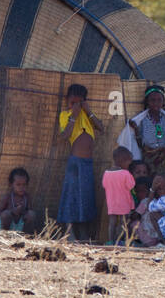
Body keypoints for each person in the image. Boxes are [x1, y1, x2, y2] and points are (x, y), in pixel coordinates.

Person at [56, 83, 102, 241]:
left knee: (85, 198)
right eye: (72, 103)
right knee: (71, 197)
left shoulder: (87, 115)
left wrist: (87, 111)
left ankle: (82, 234)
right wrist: (73, 115)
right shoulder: (66, 115)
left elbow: (100, 127)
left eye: (79, 103)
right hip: (75, 164)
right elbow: (64, 135)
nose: (75, 106)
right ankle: (69, 233)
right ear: (67, 101)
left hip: (87, 165)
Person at [120, 86, 165, 181]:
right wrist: (135, 129)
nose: (156, 103)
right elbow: (140, 145)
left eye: (159, 100)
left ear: (163, 102)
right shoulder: (142, 120)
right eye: (152, 100)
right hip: (149, 159)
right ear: (147, 102)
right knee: (151, 180)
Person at [101, 146, 137, 245]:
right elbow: (131, 185)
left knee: (112, 223)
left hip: (112, 203)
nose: (129, 165)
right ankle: (120, 241)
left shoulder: (106, 173)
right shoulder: (125, 173)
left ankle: (111, 241)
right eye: (128, 163)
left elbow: (104, 185)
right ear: (123, 161)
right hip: (124, 203)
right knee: (123, 223)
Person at [0, 167, 36, 231]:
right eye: (18, 185)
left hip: (20, 227)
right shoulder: (8, 197)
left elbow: (30, 211)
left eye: (24, 185)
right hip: (8, 227)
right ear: (11, 185)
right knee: (6, 214)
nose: (21, 187)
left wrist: (22, 211)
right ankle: (4, 235)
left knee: (31, 214)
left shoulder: (27, 197)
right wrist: (12, 211)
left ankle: (26, 236)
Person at [130, 180, 159, 246]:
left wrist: (129, 215)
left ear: (149, 191)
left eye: (142, 191)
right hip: (157, 237)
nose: (139, 194)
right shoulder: (156, 201)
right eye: (137, 191)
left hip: (149, 238)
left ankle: (139, 242)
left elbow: (135, 216)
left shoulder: (145, 201)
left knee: (134, 223)